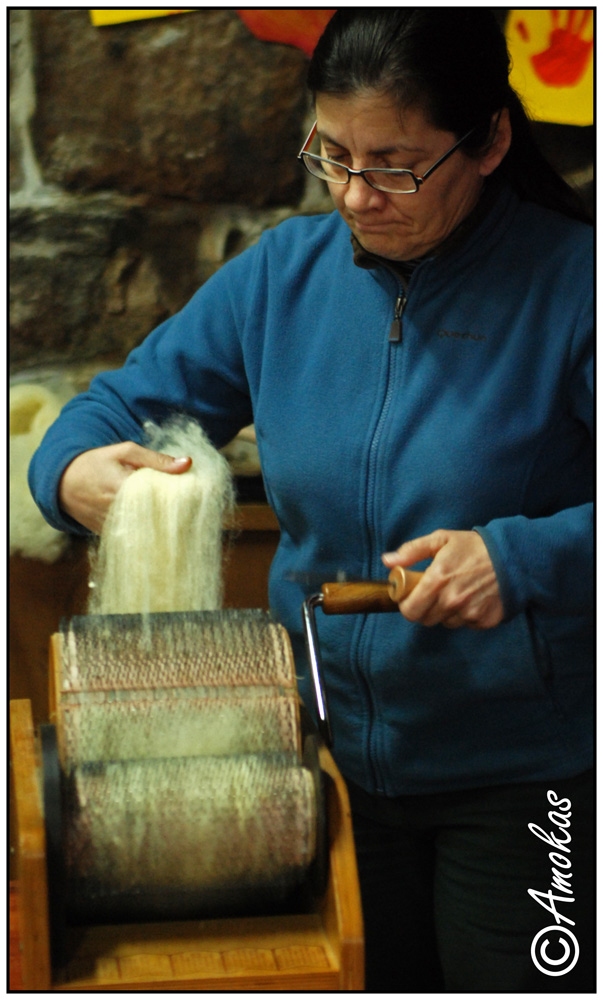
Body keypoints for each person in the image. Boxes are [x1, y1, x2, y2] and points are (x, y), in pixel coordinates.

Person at [29, 10, 593, 992]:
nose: (356, 196)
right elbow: (106, 411)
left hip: (528, 775)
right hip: (323, 764)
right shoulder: (281, 278)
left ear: (491, 139)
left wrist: (522, 559)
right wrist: (70, 474)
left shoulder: (575, 288)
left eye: (395, 164)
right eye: (332, 155)